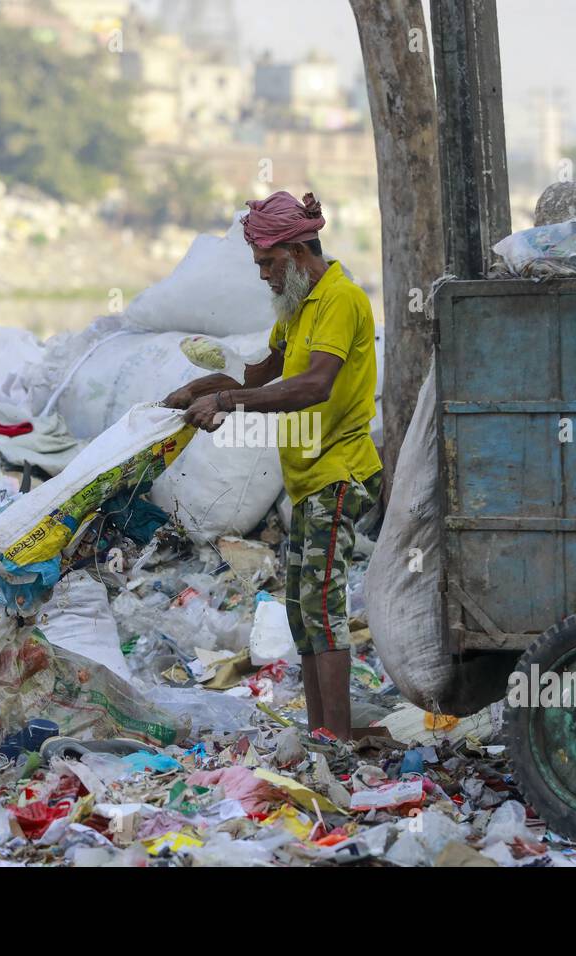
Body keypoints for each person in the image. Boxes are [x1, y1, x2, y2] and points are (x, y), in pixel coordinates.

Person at [163, 190, 381, 739]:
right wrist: (202, 388)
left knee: (321, 606)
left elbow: (313, 386)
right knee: (301, 608)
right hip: (307, 477)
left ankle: (336, 737)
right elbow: (259, 377)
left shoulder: (341, 299)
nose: (263, 275)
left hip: (341, 472)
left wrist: (228, 404)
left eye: (268, 263)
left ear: (299, 251)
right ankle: (320, 733)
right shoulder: (297, 307)